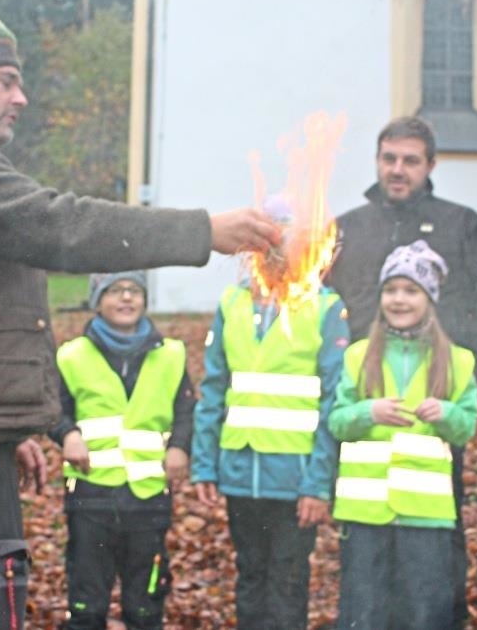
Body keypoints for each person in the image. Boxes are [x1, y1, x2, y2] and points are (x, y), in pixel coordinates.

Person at [0, 11, 278, 630]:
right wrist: (203, 231)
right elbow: (56, 225)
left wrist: (11, 420)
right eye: (7, 79)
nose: (22, 97)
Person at [326, 117, 477, 626]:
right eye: (389, 158)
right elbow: (322, 311)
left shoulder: (462, 225)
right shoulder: (348, 229)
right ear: (377, 161)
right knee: (365, 555)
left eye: (410, 160)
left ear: (431, 165)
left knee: (434, 553)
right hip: (364, 410)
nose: (398, 170)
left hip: (435, 417)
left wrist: (468, 392)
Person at [191, 196, 350, 630]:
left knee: (287, 582)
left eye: (287, 236)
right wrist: (205, 466)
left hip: (294, 479)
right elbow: (214, 388)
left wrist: (319, 484)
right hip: (242, 471)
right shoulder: (232, 303)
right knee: (251, 576)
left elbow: (334, 401)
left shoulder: (323, 306)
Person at [328, 240, 477, 630]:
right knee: (364, 609)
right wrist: (367, 411)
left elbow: (466, 428)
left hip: (425, 514)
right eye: (391, 290)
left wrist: (446, 413)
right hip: (365, 513)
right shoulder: (358, 356)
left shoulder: (458, 361)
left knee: (422, 611)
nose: (399, 300)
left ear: (429, 298)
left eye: (411, 290)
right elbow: (337, 421)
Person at [50, 271, 193, 629]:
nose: (126, 298)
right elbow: (52, 408)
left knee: (145, 605)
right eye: (115, 291)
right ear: (97, 301)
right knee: (86, 604)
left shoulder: (172, 355)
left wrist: (179, 447)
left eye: (134, 291)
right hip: (91, 495)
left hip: (148, 497)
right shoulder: (71, 355)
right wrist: (66, 434)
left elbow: (187, 411)